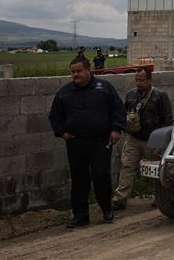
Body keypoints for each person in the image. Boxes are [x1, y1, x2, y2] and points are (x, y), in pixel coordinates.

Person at [48, 57, 125, 228]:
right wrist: (62, 133)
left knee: (101, 174)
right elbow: (55, 116)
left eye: (79, 71)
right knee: (79, 178)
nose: (75, 75)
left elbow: (118, 109)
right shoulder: (64, 92)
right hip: (76, 143)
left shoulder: (104, 88)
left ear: (88, 70)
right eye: (73, 72)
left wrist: (116, 129)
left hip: (101, 141)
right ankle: (80, 216)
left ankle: (106, 209)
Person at [112, 67, 173, 210]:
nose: (138, 83)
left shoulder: (160, 96)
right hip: (133, 138)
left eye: (142, 80)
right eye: (137, 80)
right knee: (127, 166)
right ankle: (120, 199)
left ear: (150, 80)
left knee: (157, 169)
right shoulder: (131, 95)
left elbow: (168, 119)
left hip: (153, 140)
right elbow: (124, 113)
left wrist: (162, 140)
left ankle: (160, 197)